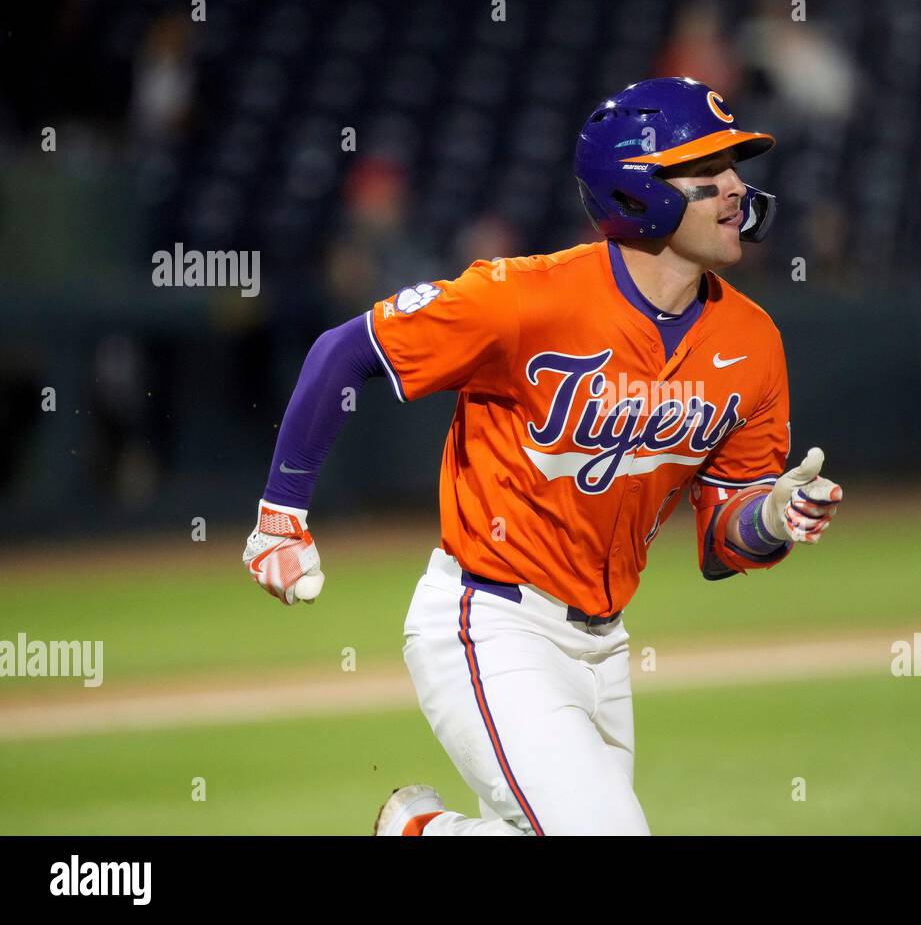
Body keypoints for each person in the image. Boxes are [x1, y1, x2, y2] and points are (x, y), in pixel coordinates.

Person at [241, 77, 844, 835]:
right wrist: (280, 515)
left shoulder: (752, 341)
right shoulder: (526, 299)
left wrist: (776, 517)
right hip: (490, 621)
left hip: (606, 643)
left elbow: (725, 537)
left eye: (734, 168)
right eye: (706, 171)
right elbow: (344, 352)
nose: (734, 189)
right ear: (636, 190)